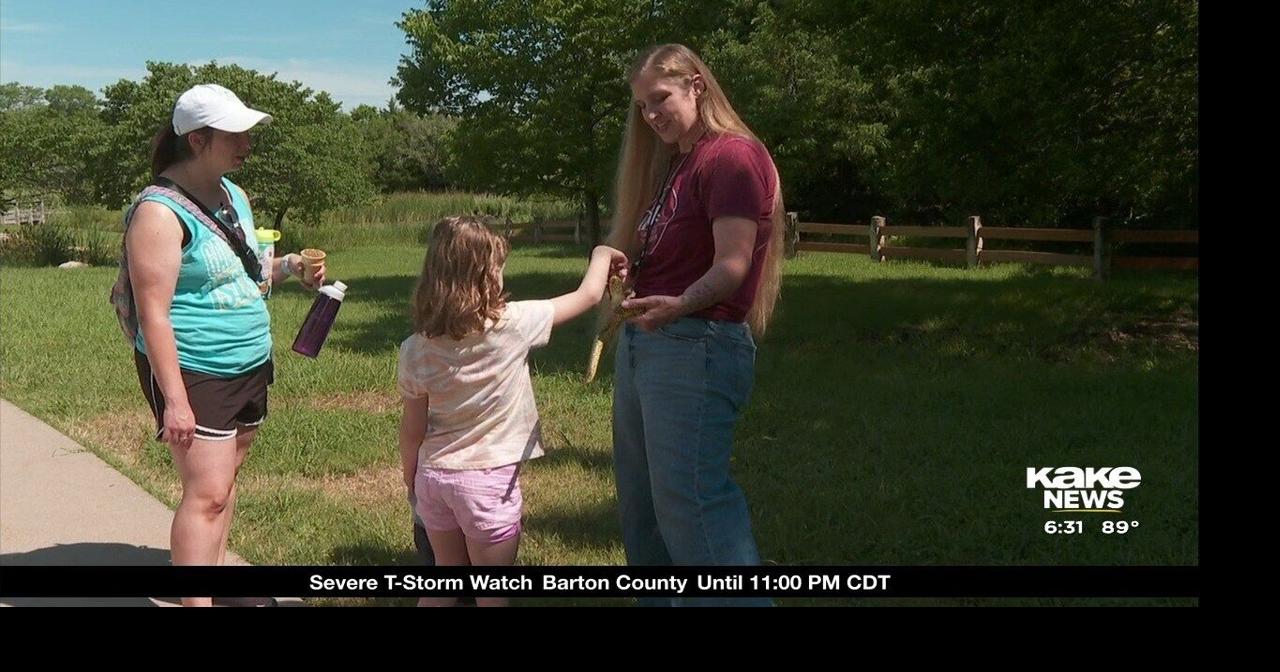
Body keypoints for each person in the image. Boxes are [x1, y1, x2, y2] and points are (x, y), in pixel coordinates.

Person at [114, 84, 323, 607]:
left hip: (249, 361)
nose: (247, 142)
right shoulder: (158, 214)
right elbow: (154, 315)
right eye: (236, 134)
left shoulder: (235, 196)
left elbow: (244, 274)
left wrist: (291, 266)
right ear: (200, 139)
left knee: (224, 486)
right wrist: (176, 399)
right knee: (206, 495)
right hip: (196, 369)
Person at [606, 44, 786, 606]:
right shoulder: (680, 163)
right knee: (645, 509)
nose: (651, 114)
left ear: (696, 87)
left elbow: (732, 266)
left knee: (694, 509)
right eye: (641, 105)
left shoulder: (731, 156)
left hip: (696, 346)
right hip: (650, 345)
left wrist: (679, 304)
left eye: (660, 98)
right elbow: (683, 252)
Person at [397, 215, 626, 607]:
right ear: (486, 277)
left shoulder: (415, 348)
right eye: (498, 268)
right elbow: (588, 296)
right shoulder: (513, 325)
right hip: (486, 485)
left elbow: (411, 430)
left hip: (434, 479)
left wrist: (411, 478)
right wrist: (602, 253)